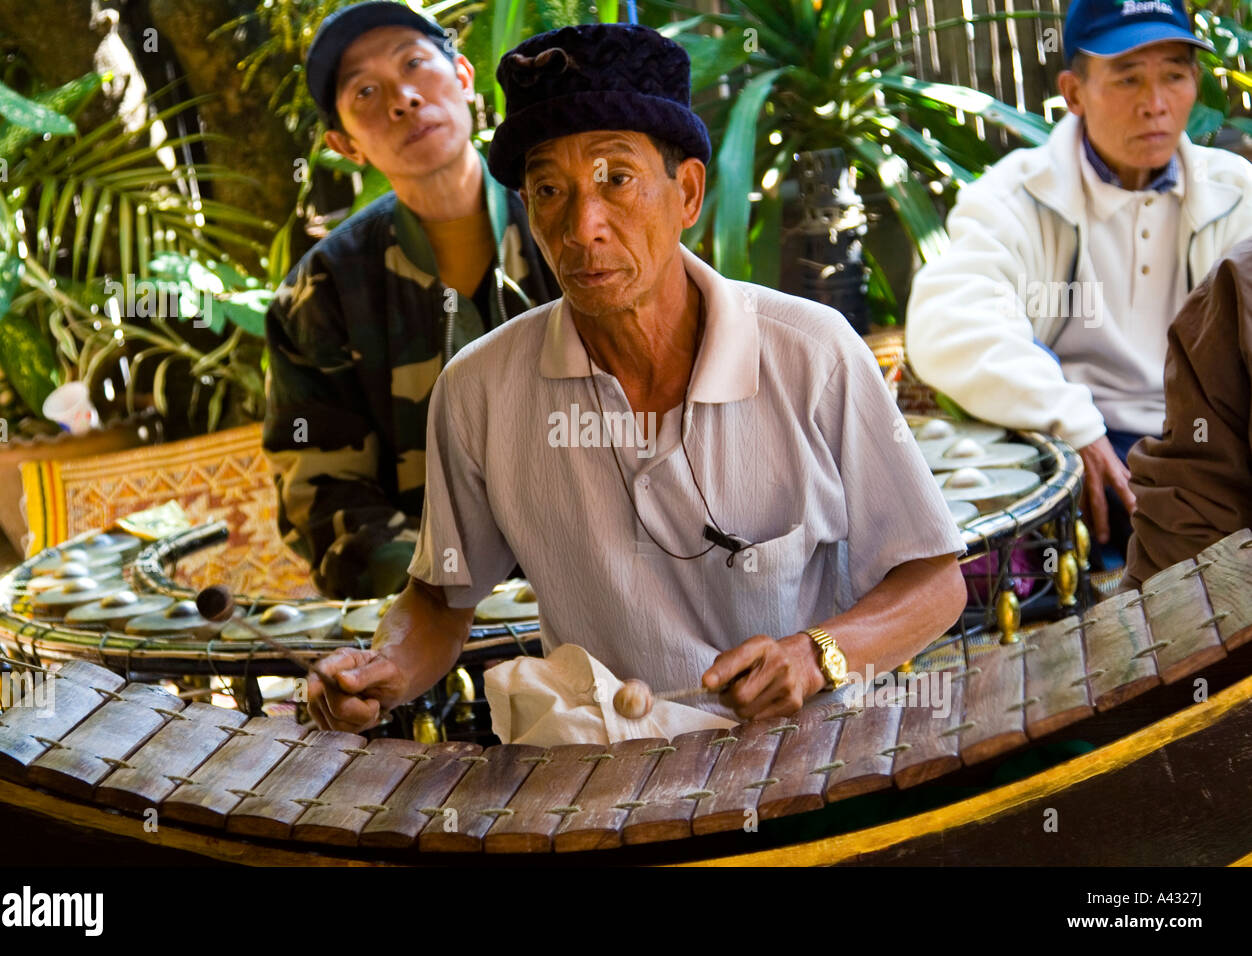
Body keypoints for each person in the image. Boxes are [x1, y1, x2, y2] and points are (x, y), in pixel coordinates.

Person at [305, 23, 967, 732]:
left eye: (616, 179)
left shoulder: (812, 355)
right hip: (605, 780)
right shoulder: (478, 392)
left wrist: (816, 656)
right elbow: (439, 600)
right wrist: (388, 669)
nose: (583, 225)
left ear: (686, 193)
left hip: (808, 757)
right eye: (550, 191)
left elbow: (934, 581)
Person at [905, 0, 1252, 567]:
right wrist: (1074, 423)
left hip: (1208, 452)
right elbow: (950, 320)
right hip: (1086, 449)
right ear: (1073, 93)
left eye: (1174, 75)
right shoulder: (1015, 196)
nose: (1156, 105)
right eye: (1128, 79)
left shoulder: (1235, 192)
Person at [263, 2, 558, 599]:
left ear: (465, 78)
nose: (402, 99)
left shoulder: (573, 221)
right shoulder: (319, 296)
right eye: (366, 91)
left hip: (609, 596)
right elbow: (324, 498)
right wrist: (446, 595)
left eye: (416, 64)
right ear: (345, 143)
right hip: (432, 629)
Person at [1123, 237, 1252, 590]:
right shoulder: (1239, 279)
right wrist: (1076, 426)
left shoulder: (1226, 194)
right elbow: (1196, 507)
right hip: (1120, 432)